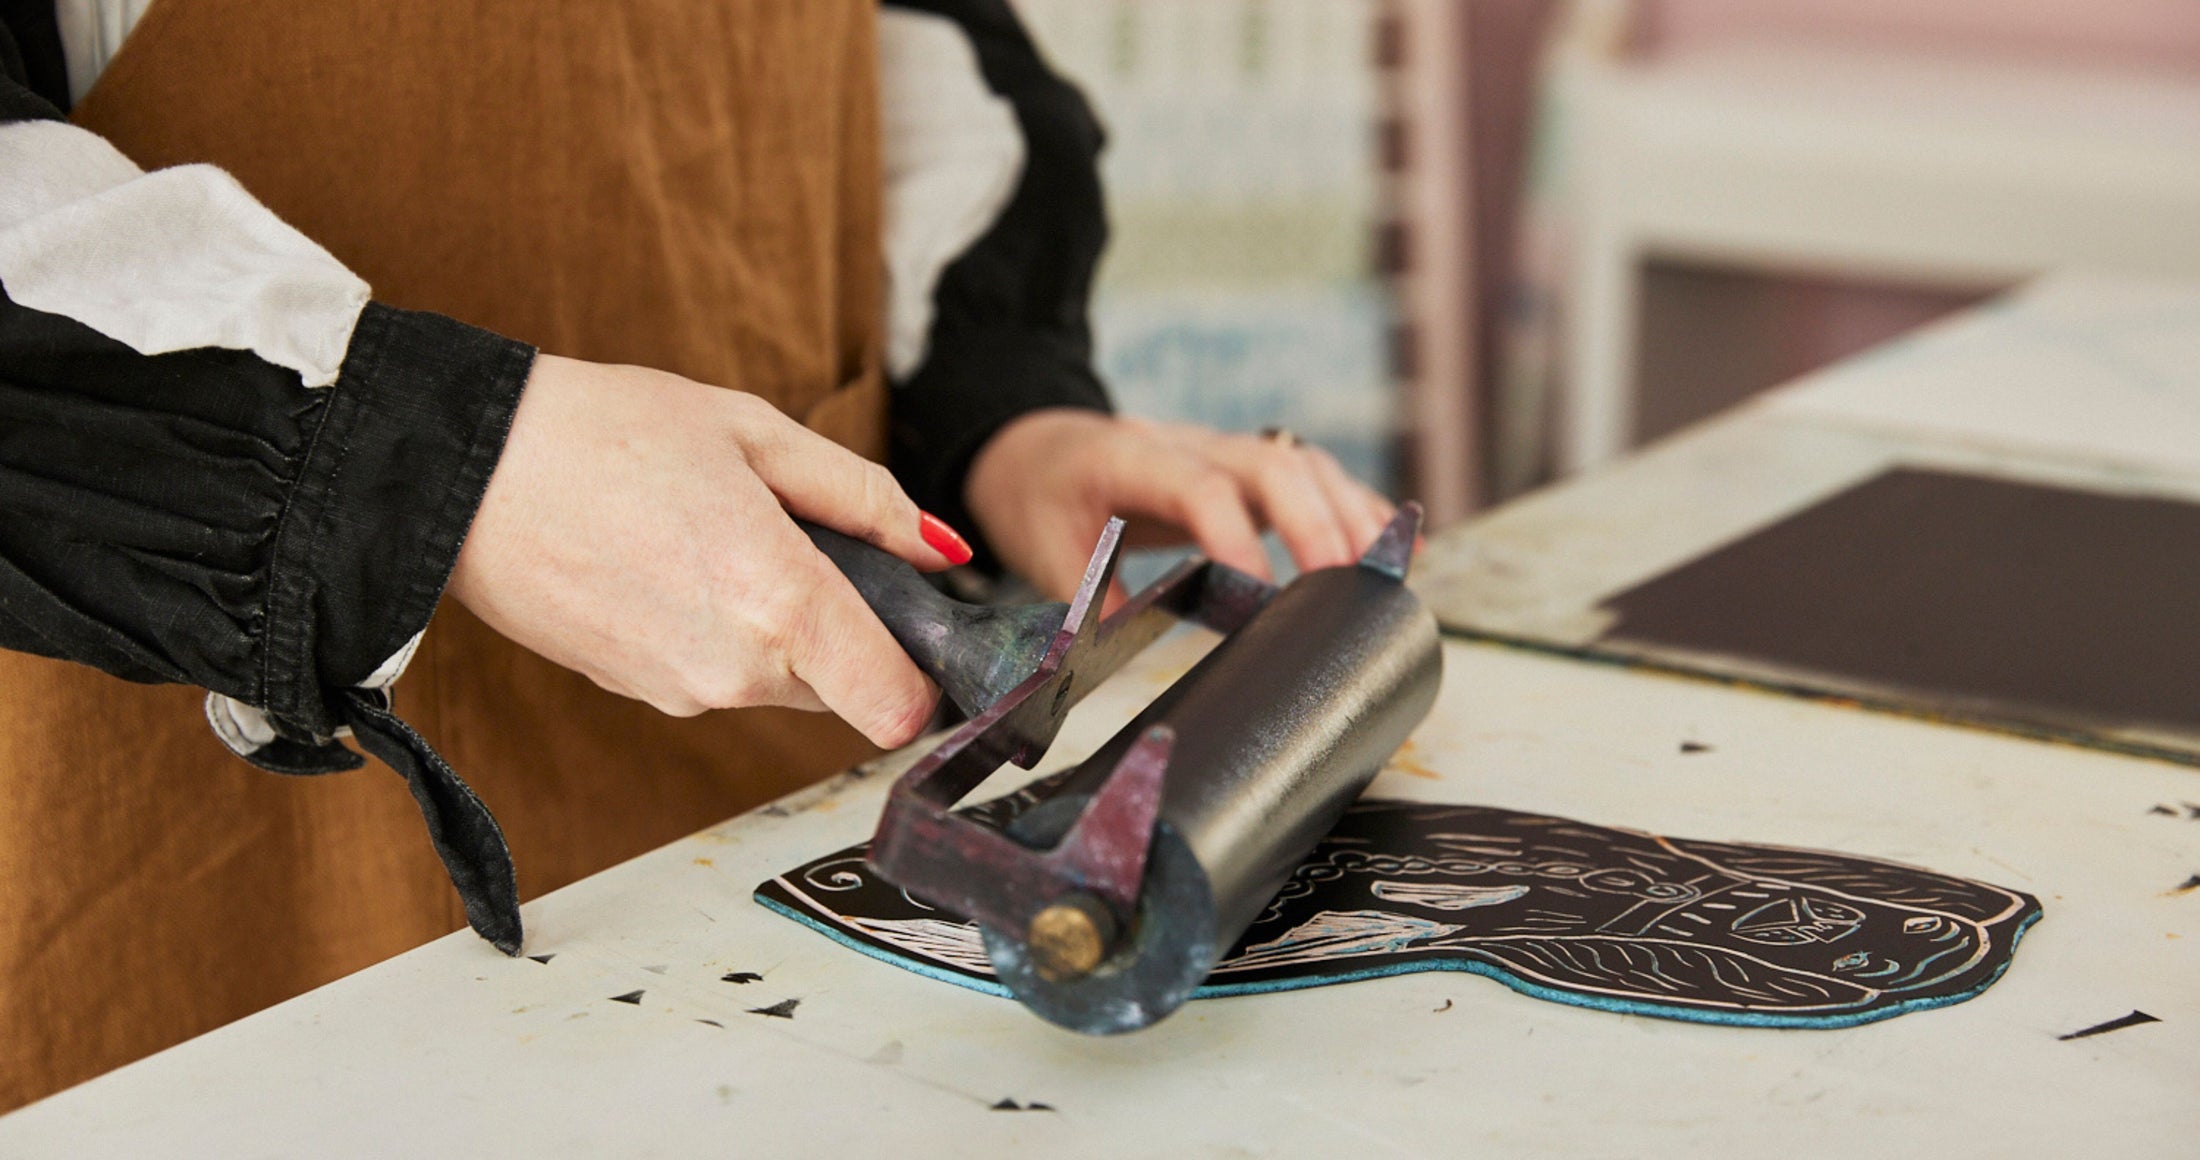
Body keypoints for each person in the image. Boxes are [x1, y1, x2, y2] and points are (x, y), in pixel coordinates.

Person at [0, 0, 1396, 1106]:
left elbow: (906, 41)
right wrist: (415, 467)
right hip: (231, 879)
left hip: (779, 826)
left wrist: (999, 407)